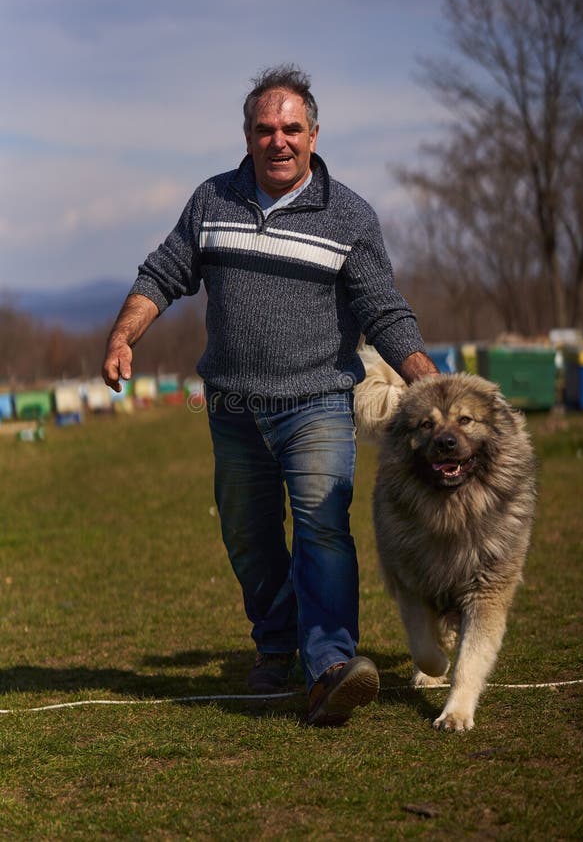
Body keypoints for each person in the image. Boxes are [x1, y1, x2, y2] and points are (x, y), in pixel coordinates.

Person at [102, 65, 438, 726]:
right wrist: (122, 334)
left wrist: (429, 381)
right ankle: (275, 645)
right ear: (248, 136)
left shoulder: (349, 217)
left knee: (322, 525)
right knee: (249, 535)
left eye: (291, 128)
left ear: (314, 134)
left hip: (316, 401)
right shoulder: (212, 200)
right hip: (230, 409)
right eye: (265, 129)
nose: (278, 141)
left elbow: (384, 311)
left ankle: (332, 666)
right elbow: (165, 271)